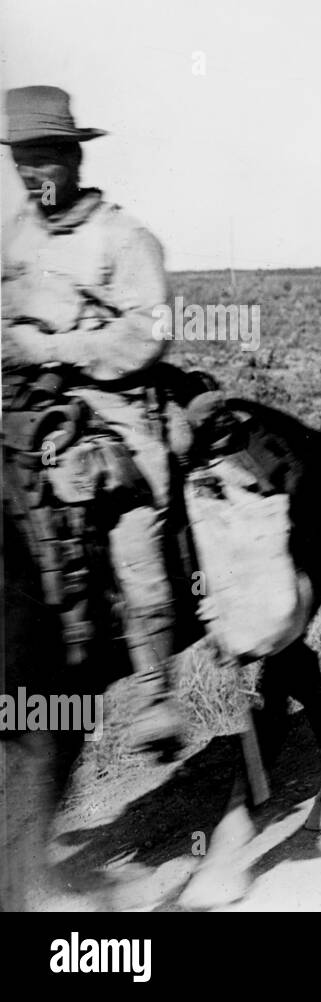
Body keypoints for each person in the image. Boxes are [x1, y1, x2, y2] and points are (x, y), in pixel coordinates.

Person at [1, 86, 190, 759]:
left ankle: (156, 693)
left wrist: (56, 350)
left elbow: (149, 333)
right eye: (20, 160)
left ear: (74, 158)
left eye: (44, 159)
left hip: (112, 407)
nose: (30, 175)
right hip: (22, 399)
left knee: (124, 519)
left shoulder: (124, 237)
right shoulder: (16, 233)